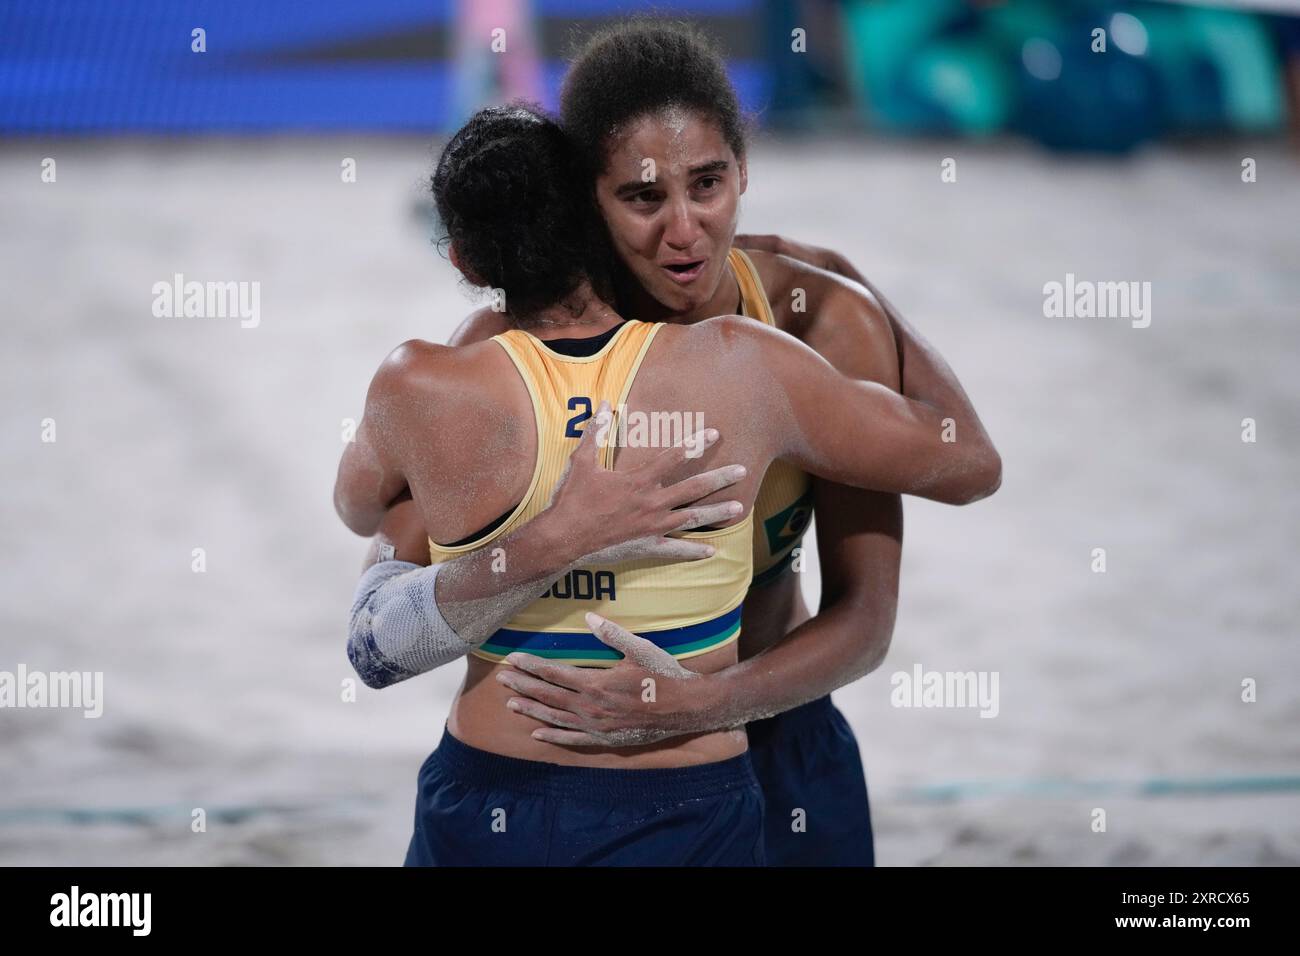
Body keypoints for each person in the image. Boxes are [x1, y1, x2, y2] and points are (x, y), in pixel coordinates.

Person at [334, 103, 1001, 866]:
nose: (683, 231)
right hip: (688, 785)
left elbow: (367, 565)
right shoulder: (750, 362)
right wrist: (563, 537)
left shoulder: (422, 382)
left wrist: (539, 540)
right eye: (648, 197)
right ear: (598, 213)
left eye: (705, 187)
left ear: (465, 262)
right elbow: (968, 461)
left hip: (504, 789)